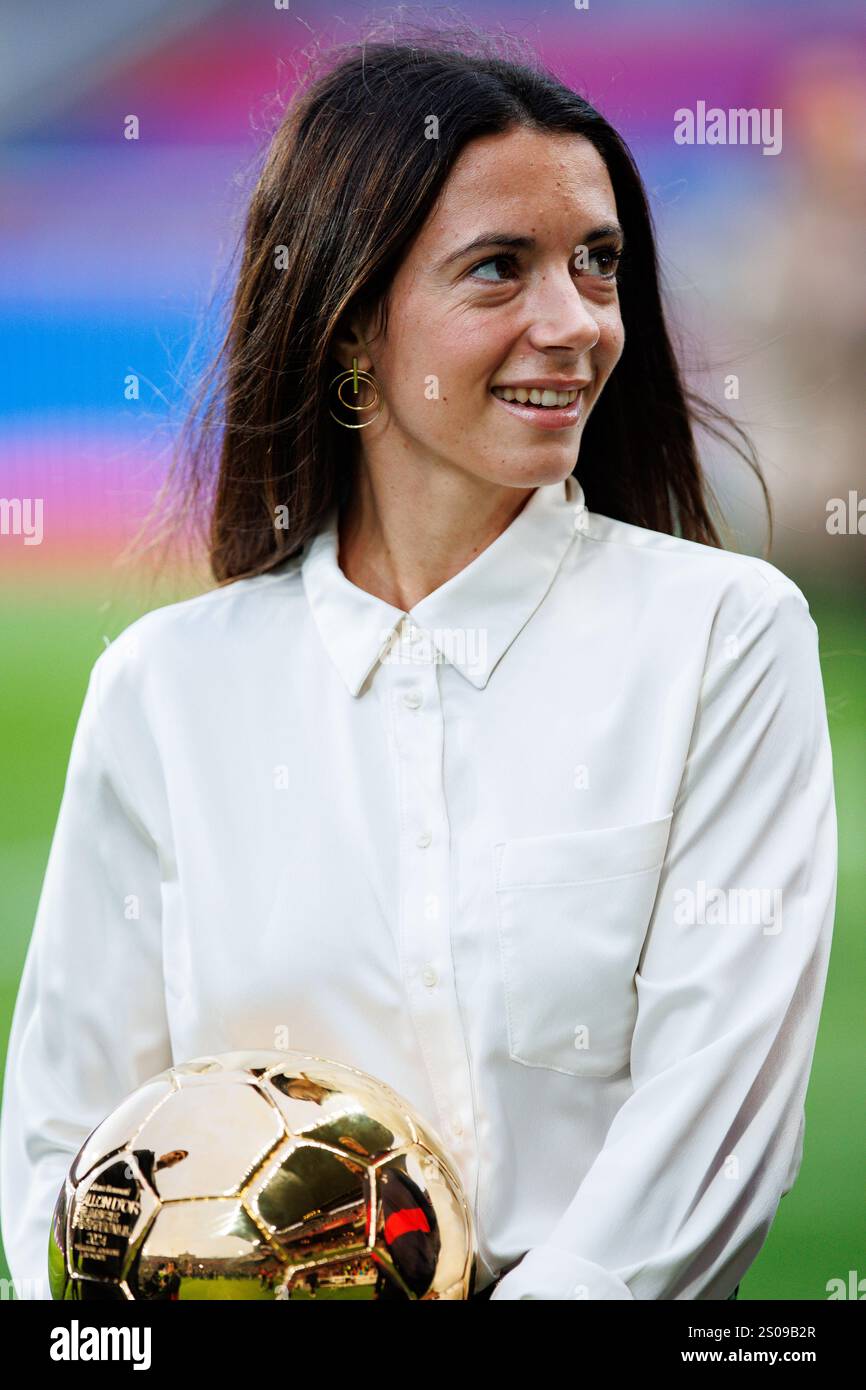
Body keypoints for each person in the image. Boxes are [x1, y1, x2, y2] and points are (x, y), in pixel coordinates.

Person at [0, 27, 836, 1301]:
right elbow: (64, 1146)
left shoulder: (724, 637)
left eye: (597, 264)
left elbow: (709, 1134)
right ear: (346, 323)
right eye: (498, 270)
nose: (574, 324)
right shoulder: (164, 689)